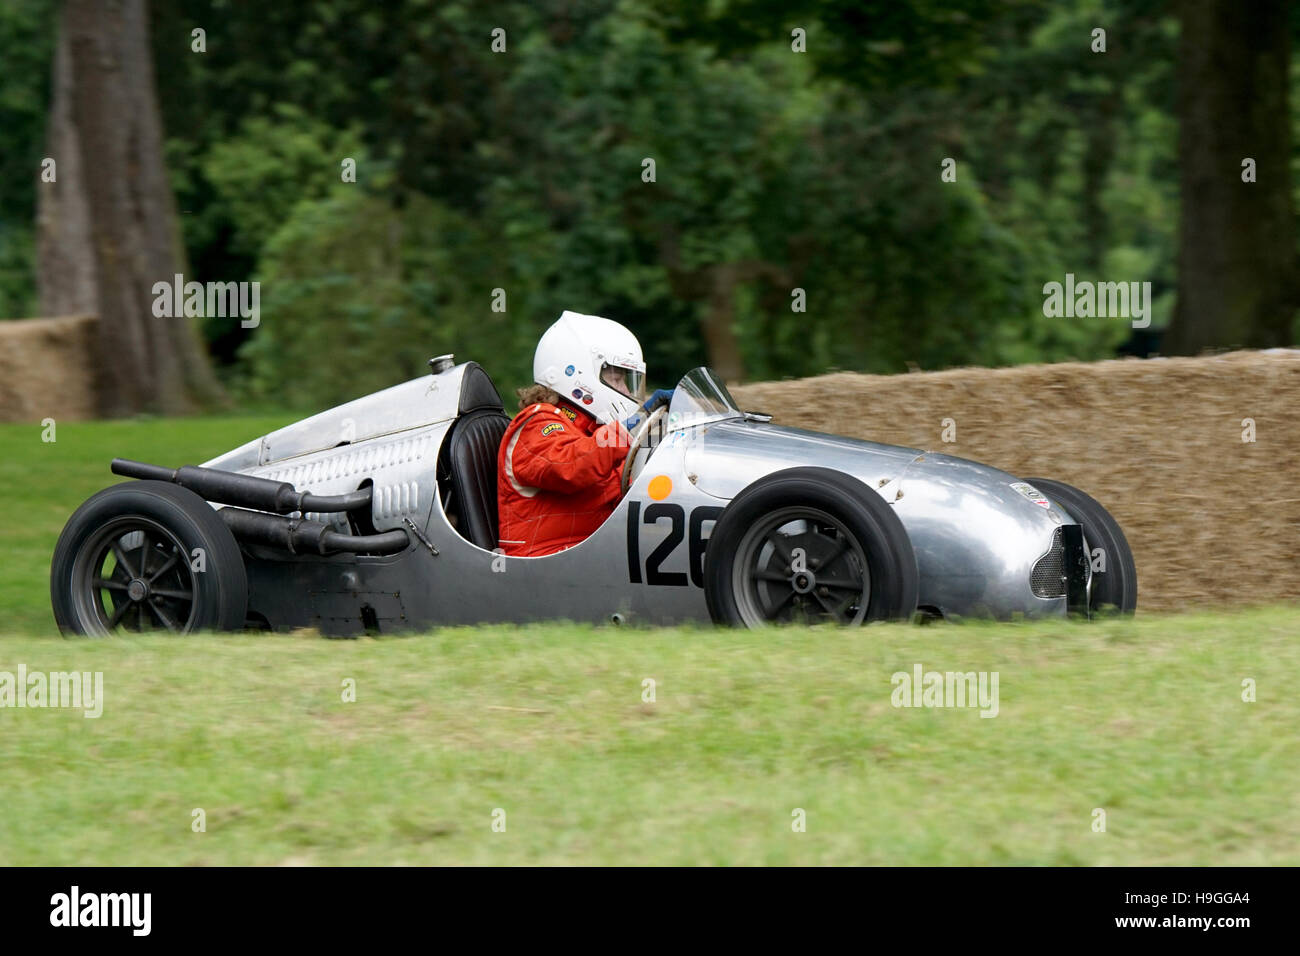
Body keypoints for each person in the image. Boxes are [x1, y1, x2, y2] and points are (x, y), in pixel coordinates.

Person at [496, 311, 673, 557]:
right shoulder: (535, 423)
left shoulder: (590, 432)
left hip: (583, 560)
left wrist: (665, 435)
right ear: (578, 374)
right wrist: (637, 423)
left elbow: (617, 483)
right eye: (617, 378)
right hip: (544, 566)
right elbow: (572, 467)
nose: (624, 389)